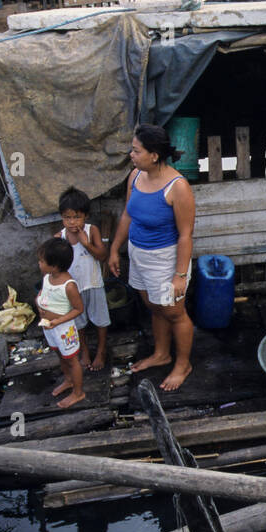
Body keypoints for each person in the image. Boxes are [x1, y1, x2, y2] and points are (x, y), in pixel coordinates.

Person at [109, 124, 196, 392]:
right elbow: (127, 215)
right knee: (154, 306)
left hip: (165, 260)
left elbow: (185, 235)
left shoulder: (177, 187)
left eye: (136, 151)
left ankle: (183, 364)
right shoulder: (135, 176)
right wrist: (115, 248)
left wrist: (180, 275)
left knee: (174, 312)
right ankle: (162, 354)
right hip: (139, 254)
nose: (131, 155)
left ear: (154, 155)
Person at [57, 186, 110, 372]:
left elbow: (102, 256)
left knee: (101, 320)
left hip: (94, 284)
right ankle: (85, 350)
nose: (72, 222)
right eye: (67, 217)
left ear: (85, 216)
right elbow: (56, 267)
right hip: (73, 290)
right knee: (78, 322)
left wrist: (85, 243)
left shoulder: (91, 230)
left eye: (76, 217)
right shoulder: (60, 237)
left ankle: (101, 351)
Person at [36, 237, 86, 409]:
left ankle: (78, 393)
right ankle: (68, 380)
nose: (39, 263)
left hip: (63, 329)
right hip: (49, 327)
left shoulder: (69, 285)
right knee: (60, 355)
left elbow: (78, 309)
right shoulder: (47, 277)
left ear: (55, 265)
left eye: (42, 261)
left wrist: (58, 321)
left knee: (72, 360)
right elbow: (44, 292)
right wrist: (39, 301)